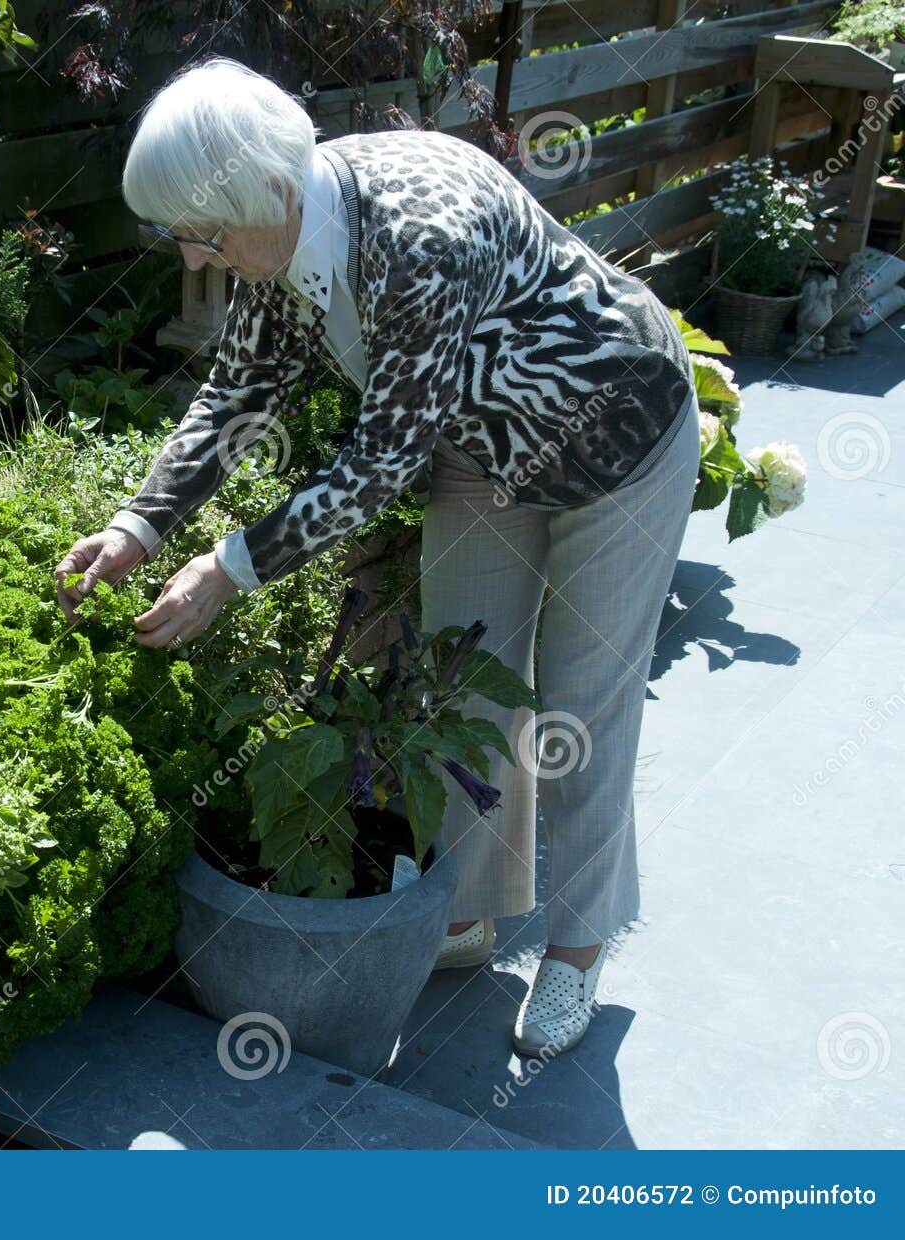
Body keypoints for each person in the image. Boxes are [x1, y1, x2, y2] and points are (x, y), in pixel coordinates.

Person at [53, 58, 701, 1058]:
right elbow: (238, 392)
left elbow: (377, 462)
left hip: (616, 435)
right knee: (454, 683)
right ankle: (470, 911)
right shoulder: (280, 233)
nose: (194, 253)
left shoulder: (413, 238)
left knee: (580, 704)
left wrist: (228, 566)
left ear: (266, 188)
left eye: (204, 231)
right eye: (181, 233)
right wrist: (139, 525)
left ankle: (575, 949)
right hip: (481, 453)